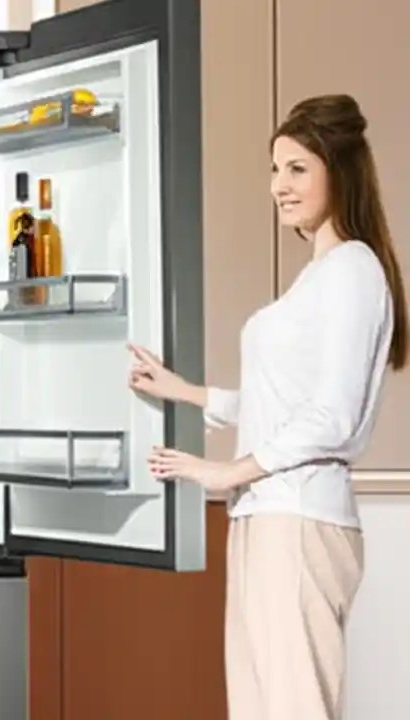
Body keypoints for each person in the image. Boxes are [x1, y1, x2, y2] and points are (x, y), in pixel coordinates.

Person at [127, 93, 407, 720]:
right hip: (269, 514)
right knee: (261, 707)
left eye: (298, 168)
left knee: (291, 708)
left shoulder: (353, 271)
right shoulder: (321, 273)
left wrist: (225, 472)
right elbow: (282, 403)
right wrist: (185, 392)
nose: (279, 185)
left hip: (298, 519)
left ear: (341, 169)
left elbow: (330, 418)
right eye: (275, 170)